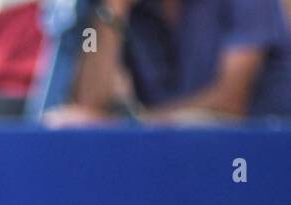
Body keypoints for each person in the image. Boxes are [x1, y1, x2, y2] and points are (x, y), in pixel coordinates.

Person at [54, 0, 291, 122]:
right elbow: (90, 101)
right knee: (68, 121)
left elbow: (229, 102)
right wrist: (113, 10)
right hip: (171, 153)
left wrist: (140, 128)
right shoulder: (133, 9)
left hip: (253, 157)